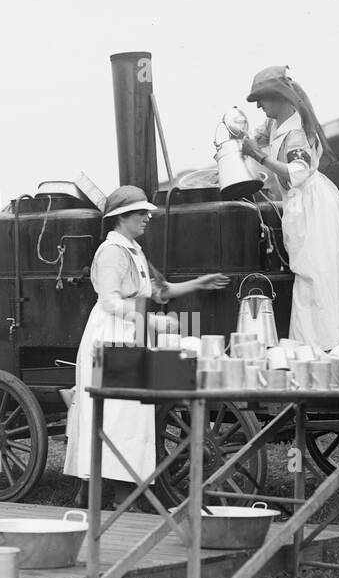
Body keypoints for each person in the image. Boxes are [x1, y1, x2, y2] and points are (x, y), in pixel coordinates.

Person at [63, 185, 229, 508]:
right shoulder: (111, 252)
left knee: (132, 414)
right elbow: (110, 302)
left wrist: (199, 283)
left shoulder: (133, 250)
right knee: (113, 414)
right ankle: (102, 492)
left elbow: (159, 292)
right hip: (111, 335)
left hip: (132, 332)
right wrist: (150, 322)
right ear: (120, 218)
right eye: (141, 213)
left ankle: (124, 491)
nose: (147, 218)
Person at [240, 64, 339, 351]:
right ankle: (319, 344)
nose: (259, 105)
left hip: (311, 207)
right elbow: (259, 137)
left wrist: (259, 157)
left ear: (280, 97)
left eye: (262, 99)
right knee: (313, 274)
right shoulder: (278, 125)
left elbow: (297, 172)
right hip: (301, 204)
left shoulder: (297, 134)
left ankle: (320, 345)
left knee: (314, 275)